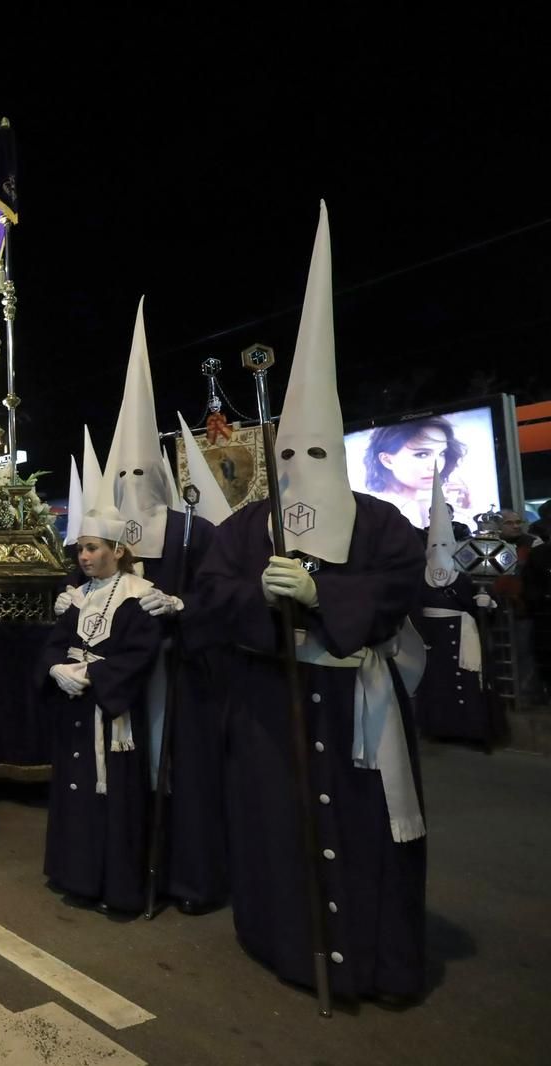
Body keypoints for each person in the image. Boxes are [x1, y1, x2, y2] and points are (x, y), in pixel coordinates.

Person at [188, 204, 427, 1003]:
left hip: (356, 700)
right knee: (277, 829)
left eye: (318, 450)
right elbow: (211, 597)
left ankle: (376, 959)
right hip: (270, 702)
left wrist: (327, 592)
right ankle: (285, 944)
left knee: (362, 834)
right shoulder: (250, 526)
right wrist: (256, 594)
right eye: (290, 451)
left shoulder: (382, 519)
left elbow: (399, 586)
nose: (303, 464)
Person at [59, 298, 225, 914]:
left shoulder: (191, 532)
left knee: (180, 767)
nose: (131, 478)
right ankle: (124, 870)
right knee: (127, 772)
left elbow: (219, 597)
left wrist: (181, 606)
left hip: (179, 674)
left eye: (139, 467)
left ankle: (185, 876)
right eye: (121, 469)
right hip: (122, 676)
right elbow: (84, 584)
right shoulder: (102, 535)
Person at [39, 491, 162, 913]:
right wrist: (56, 669)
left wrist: (92, 675)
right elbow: (56, 642)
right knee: (76, 792)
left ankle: (116, 887)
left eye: (92, 548)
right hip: (76, 708)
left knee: (114, 798)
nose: (83, 557)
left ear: (118, 550)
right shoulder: (78, 593)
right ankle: (76, 875)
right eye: (80, 549)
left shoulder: (139, 594)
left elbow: (139, 655)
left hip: (113, 717)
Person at [414, 489, 495, 744]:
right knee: (439, 684)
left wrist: (487, 603)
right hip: (434, 638)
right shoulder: (418, 575)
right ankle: (440, 728)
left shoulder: (466, 574)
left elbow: (480, 600)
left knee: (467, 680)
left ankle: (471, 729)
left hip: (462, 633)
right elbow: (413, 606)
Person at [362, 415, 470, 530]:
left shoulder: (441, 504)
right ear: (387, 460)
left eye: (442, 453)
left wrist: (466, 512)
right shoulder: (370, 512)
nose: (436, 466)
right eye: (422, 454)